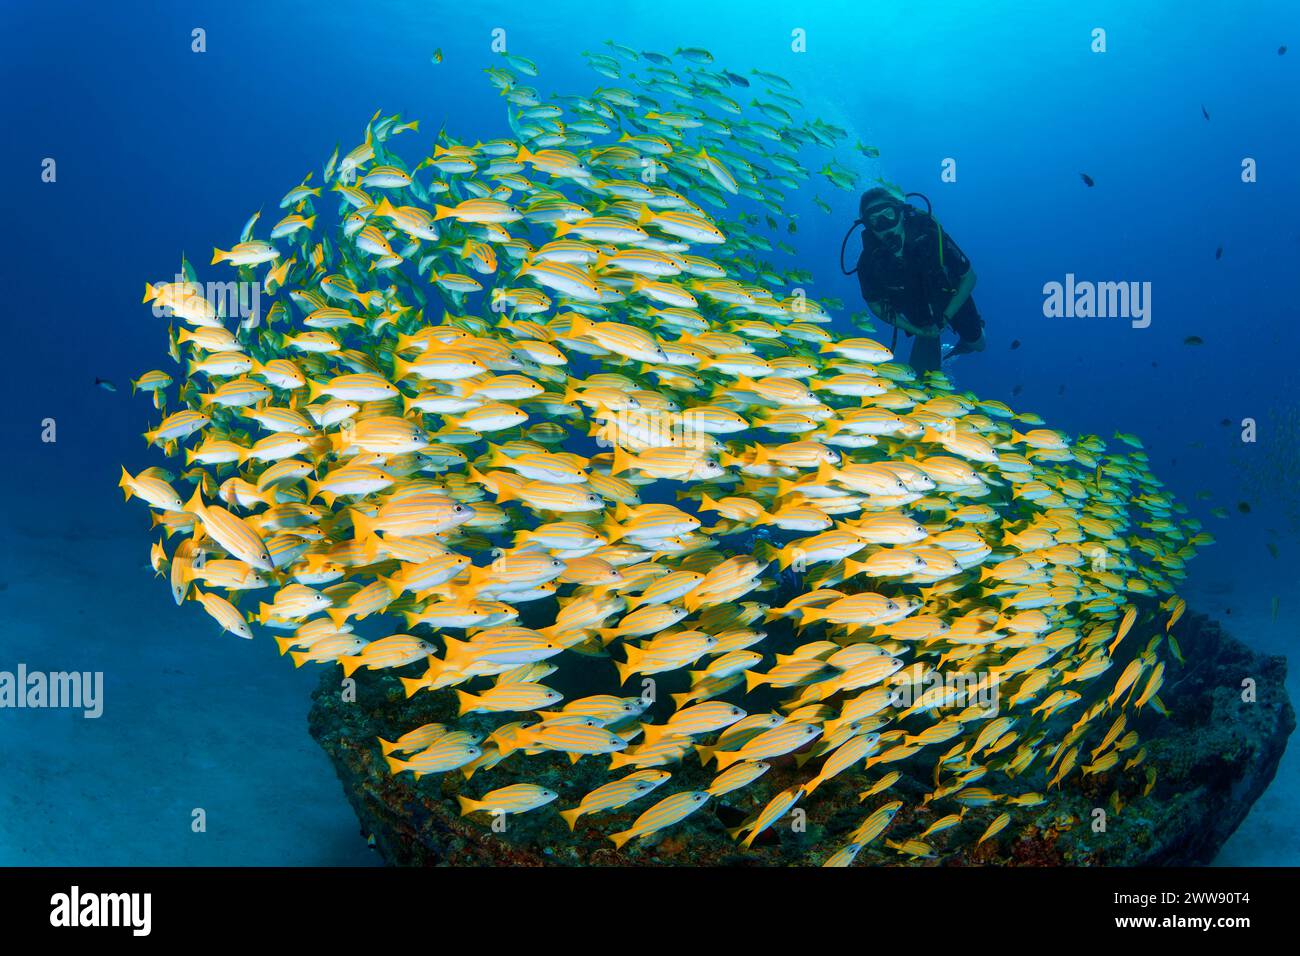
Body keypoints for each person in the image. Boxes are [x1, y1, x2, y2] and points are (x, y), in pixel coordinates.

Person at [847, 188, 985, 374]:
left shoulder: (930, 236)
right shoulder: (868, 262)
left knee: (978, 345)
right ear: (868, 226)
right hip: (916, 312)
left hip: (952, 297)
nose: (884, 224)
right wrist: (914, 329)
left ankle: (970, 336)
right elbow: (875, 305)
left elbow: (969, 277)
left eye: (888, 214)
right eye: (875, 219)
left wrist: (945, 317)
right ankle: (928, 340)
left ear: (900, 213)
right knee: (922, 369)